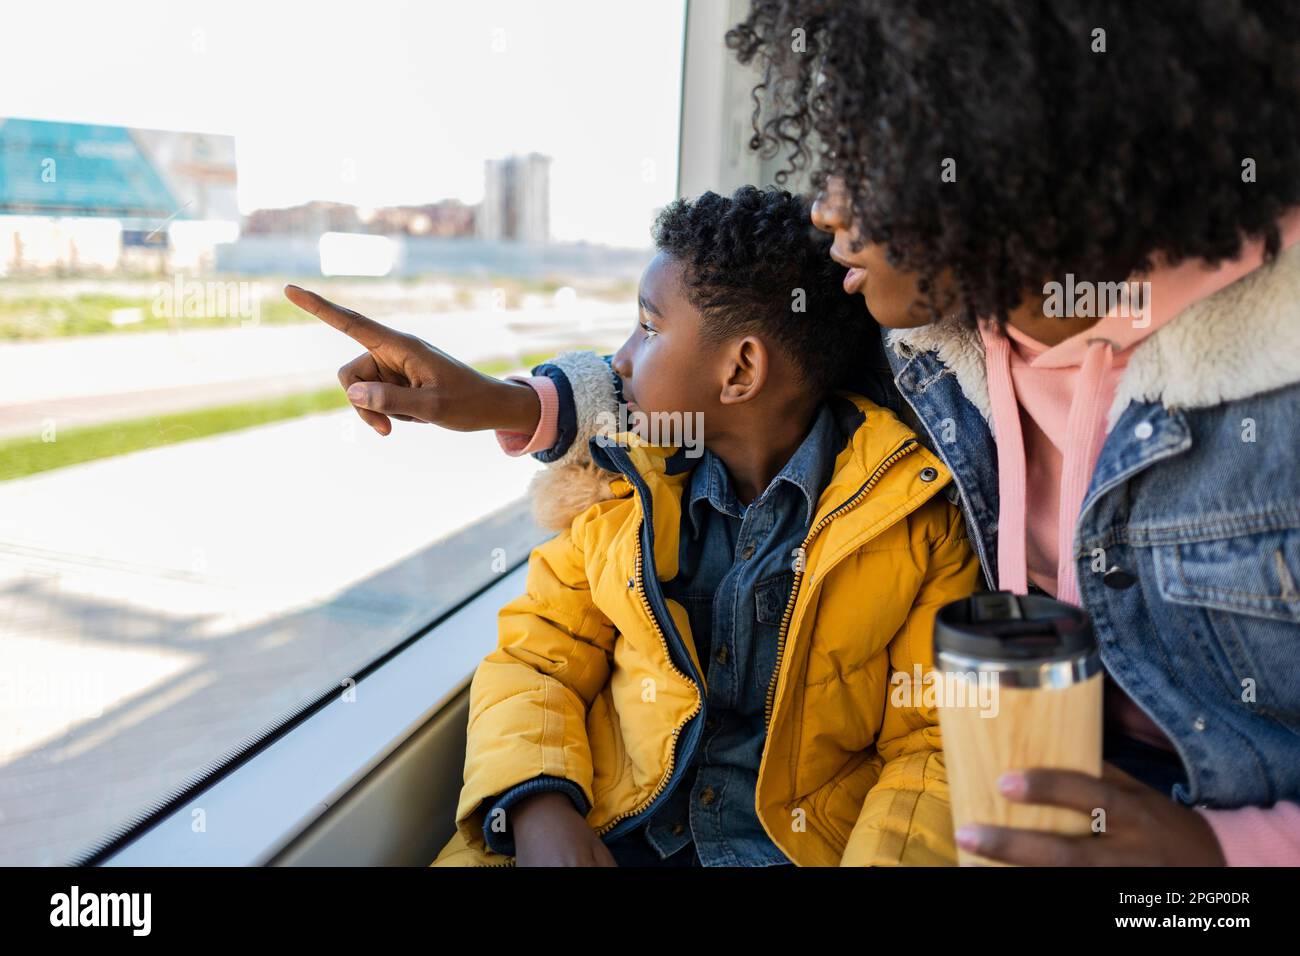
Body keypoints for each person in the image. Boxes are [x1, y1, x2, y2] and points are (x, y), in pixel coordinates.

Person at [287, 1, 1300, 865]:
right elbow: (714, 391)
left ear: (1002, 141)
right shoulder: (923, 339)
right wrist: (509, 403)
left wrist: (1216, 857)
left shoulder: (1274, 383)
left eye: (868, 153)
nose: (826, 209)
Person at [410, 185, 974, 866]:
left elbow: (931, 747)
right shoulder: (616, 492)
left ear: (739, 370)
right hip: (612, 830)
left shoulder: (916, 525)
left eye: (647, 328)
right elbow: (536, 657)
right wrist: (537, 804)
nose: (619, 358)